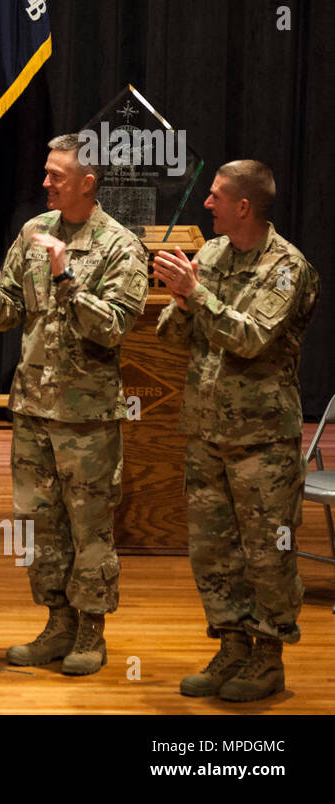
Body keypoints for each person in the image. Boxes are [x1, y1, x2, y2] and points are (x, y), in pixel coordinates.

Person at [0, 134, 148, 675]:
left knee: (89, 525)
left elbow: (112, 329)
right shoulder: (34, 232)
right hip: (33, 407)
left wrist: (68, 277)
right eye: (45, 172)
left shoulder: (120, 246)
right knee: (39, 524)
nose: (44, 183)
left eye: (57, 176)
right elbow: (12, 313)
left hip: (87, 415)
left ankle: (91, 632)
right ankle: (57, 624)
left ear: (87, 184)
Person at [154, 160, 318, 701]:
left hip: (262, 441)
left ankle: (267, 658)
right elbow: (174, 338)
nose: (207, 202)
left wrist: (196, 294)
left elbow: (250, 339)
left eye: (216, 195)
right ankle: (231, 646)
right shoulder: (212, 255)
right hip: (206, 431)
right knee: (212, 550)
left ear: (243, 206)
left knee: (267, 555)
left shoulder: (288, 267)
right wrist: (180, 299)